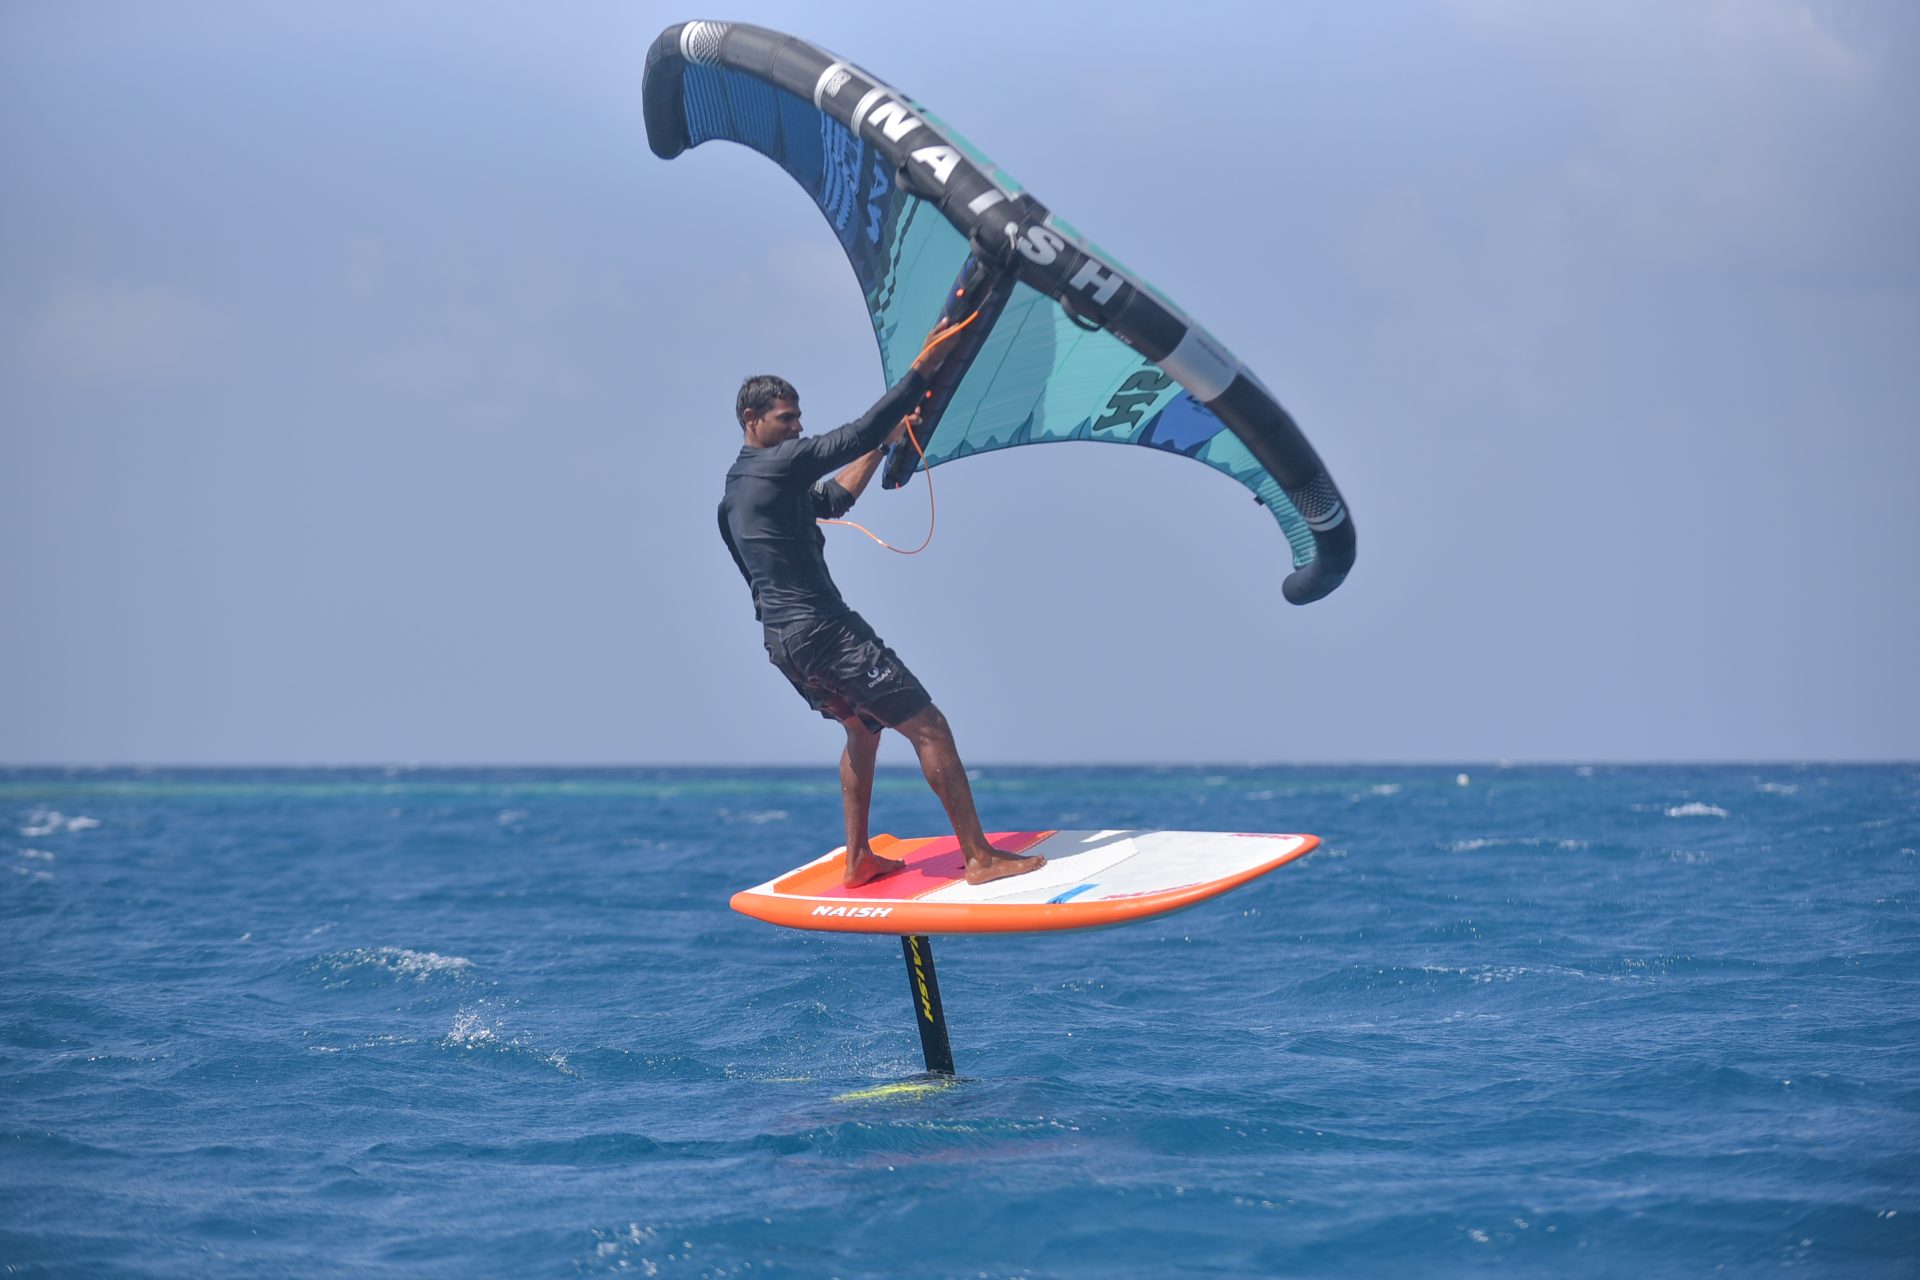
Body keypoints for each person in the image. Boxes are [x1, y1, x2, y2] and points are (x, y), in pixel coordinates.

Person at [719, 321, 1045, 889]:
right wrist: (926, 367)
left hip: (785, 645)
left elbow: (835, 498)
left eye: (799, 417)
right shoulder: (779, 465)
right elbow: (857, 430)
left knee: (862, 731)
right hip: (826, 632)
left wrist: (885, 445)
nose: (798, 428)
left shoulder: (738, 493)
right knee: (931, 727)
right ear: (753, 422)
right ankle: (979, 857)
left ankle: (857, 859)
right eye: (786, 419)